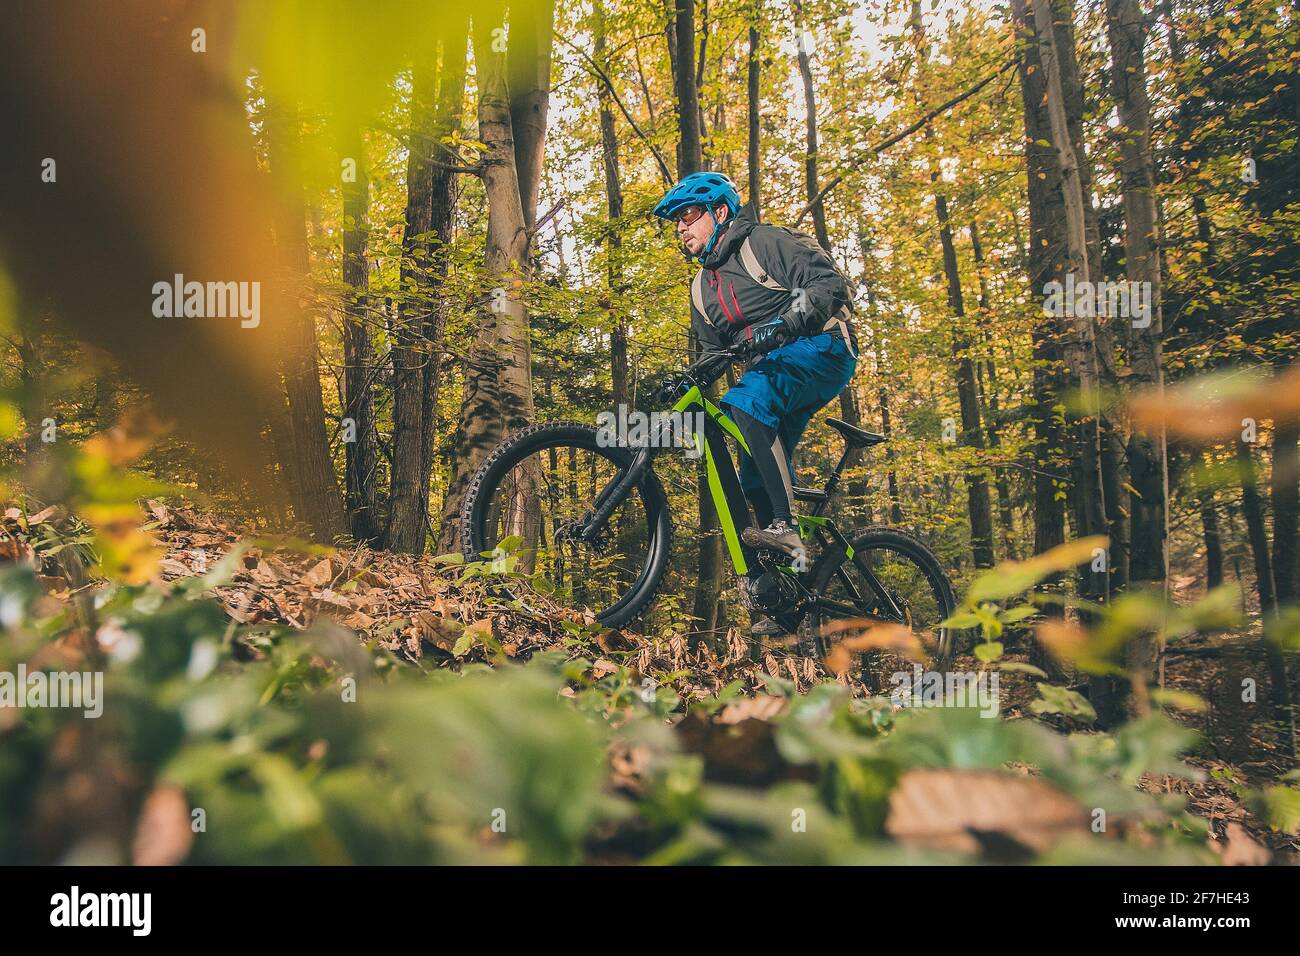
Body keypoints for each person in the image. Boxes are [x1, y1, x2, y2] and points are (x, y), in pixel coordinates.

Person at [653, 171, 858, 636]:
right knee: (751, 472)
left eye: (688, 216)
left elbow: (828, 286)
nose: (681, 228)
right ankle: (788, 597)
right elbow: (711, 357)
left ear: (719, 212)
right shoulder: (701, 290)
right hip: (773, 376)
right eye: (676, 223)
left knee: (744, 400)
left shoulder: (762, 243)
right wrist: (682, 382)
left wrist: (785, 323)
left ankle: (785, 527)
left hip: (823, 349)